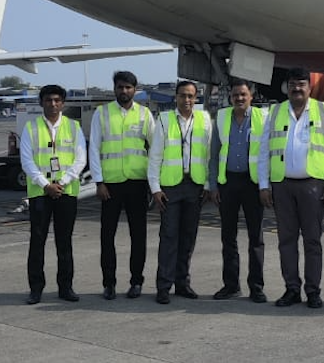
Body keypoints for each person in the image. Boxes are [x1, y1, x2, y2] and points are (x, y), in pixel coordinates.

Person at [258, 66, 324, 309]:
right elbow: (264, 150)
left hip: (313, 185)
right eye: (293, 84)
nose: (297, 88)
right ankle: (291, 289)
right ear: (288, 87)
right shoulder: (274, 112)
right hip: (282, 185)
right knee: (286, 240)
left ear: (309, 87)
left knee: (312, 240)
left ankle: (313, 291)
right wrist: (264, 184)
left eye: (301, 84)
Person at [89, 70, 155, 300]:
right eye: (120, 87)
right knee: (107, 236)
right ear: (114, 89)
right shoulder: (102, 113)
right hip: (111, 184)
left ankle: (136, 282)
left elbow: (155, 149)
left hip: (137, 183)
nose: (124, 91)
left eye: (128, 87)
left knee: (139, 236)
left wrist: (153, 184)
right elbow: (94, 149)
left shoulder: (145, 114)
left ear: (135, 89)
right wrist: (99, 181)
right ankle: (109, 283)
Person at [20, 84, 87, 305]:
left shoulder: (74, 127)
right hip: (40, 192)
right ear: (41, 102)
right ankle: (36, 288)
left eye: (57, 100)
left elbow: (80, 159)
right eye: (48, 100)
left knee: (64, 241)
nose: (53, 104)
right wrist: (45, 184)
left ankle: (65, 287)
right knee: (37, 241)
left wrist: (63, 182)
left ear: (63, 103)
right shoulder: (31, 128)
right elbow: (27, 161)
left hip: (66, 192)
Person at [147, 80, 212, 305]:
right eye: (183, 96)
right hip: (171, 187)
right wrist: (155, 188)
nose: (187, 100)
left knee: (188, 238)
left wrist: (206, 185)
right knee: (168, 237)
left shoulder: (205, 120)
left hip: (195, 186)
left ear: (196, 98)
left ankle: (182, 283)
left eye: (191, 96)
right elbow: (155, 156)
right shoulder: (164, 120)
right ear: (175, 97)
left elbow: (208, 156)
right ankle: (163, 286)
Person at [209, 79, 267, 303]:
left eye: (243, 95)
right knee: (228, 237)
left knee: (256, 238)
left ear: (251, 96)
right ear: (230, 98)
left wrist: (265, 185)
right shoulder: (222, 118)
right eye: (235, 96)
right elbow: (214, 155)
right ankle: (231, 285)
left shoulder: (263, 118)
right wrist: (213, 185)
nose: (239, 99)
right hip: (229, 183)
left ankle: (257, 287)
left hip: (252, 184)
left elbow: (267, 154)